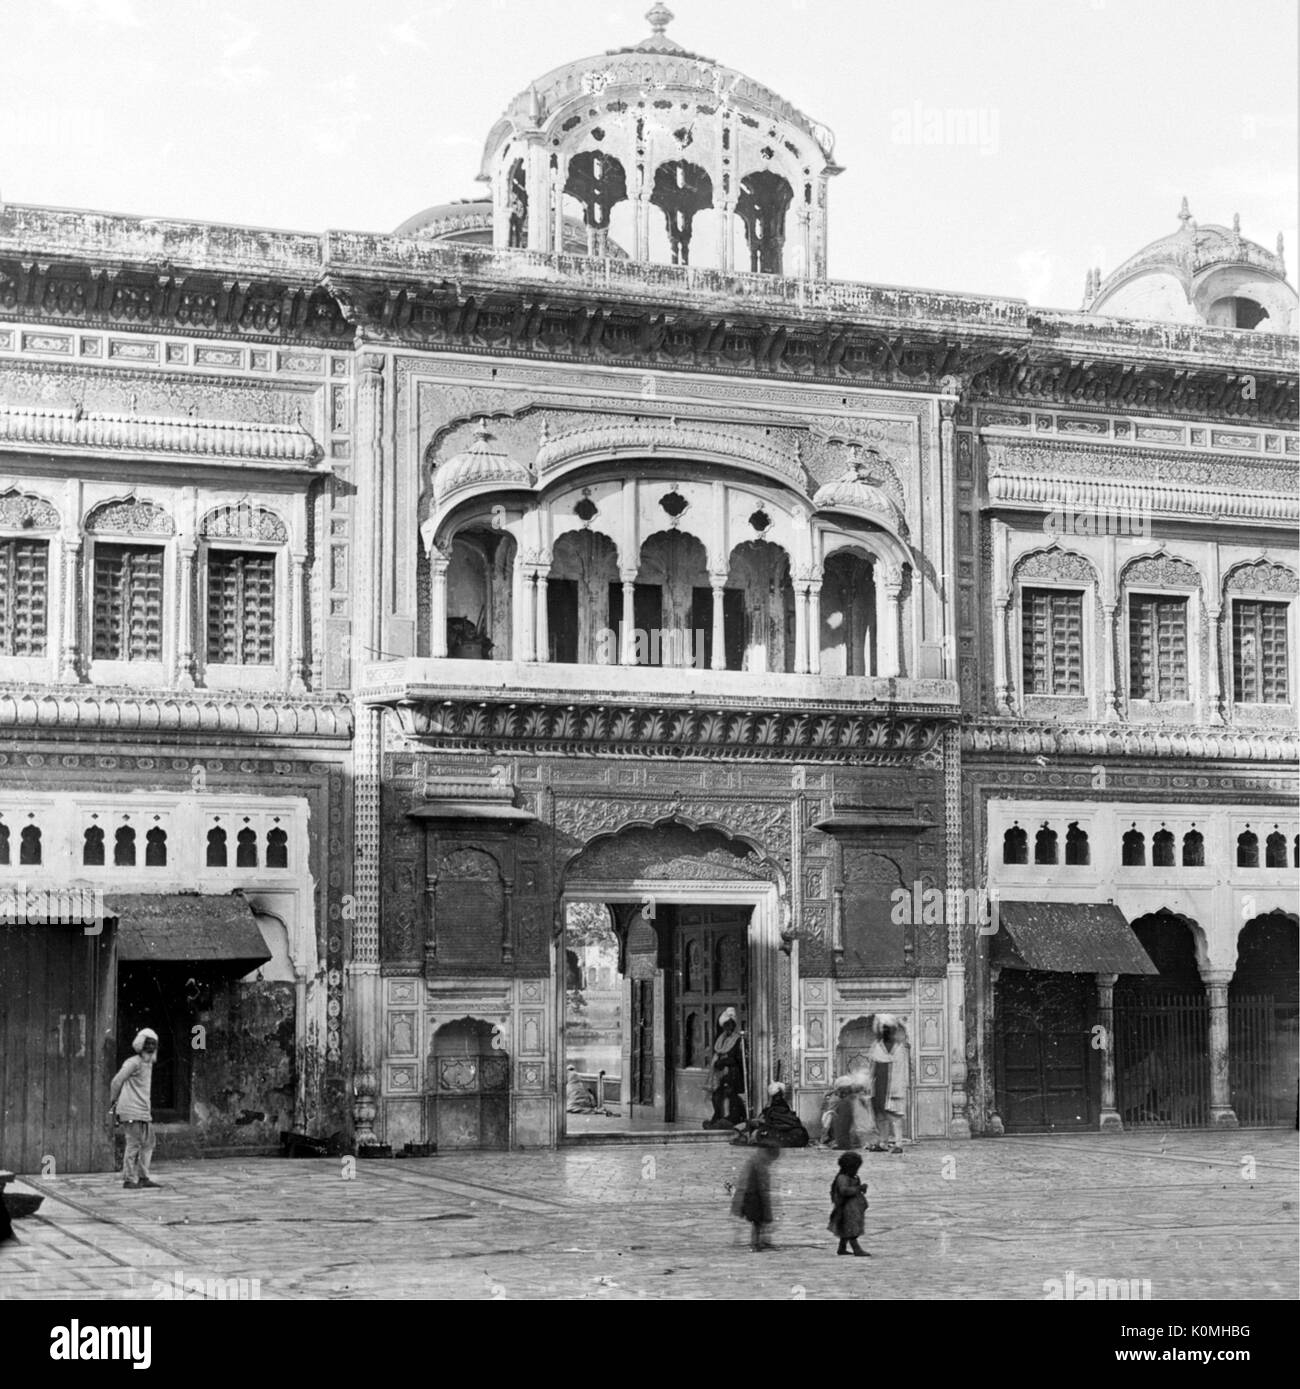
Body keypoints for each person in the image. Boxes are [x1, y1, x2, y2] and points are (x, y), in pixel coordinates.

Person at [109, 1028, 163, 1190]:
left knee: (148, 1143)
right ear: (140, 1044)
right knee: (134, 1144)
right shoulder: (133, 1062)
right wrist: (114, 1101)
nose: (151, 1047)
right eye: (148, 1043)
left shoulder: (148, 1064)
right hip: (131, 1110)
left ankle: (143, 1176)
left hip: (143, 1111)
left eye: (154, 1044)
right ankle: (129, 1179)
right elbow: (116, 1082)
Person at [867, 1016, 910, 1154]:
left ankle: (898, 1143)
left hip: (894, 1086)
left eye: (888, 1029)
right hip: (879, 1085)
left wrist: (901, 1086)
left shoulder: (899, 1048)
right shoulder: (876, 1046)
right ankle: (883, 1142)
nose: (885, 1031)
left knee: (895, 1116)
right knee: (880, 1115)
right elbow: (872, 1067)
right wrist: (869, 1084)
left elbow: (903, 1069)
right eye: (883, 1028)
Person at [731, 1138, 780, 1251]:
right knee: (758, 1222)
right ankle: (756, 1243)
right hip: (753, 1198)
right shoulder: (759, 1165)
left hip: (752, 1197)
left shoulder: (756, 1161)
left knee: (759, 1222)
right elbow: (760, 1186)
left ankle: (761, 1241)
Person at [704, 1007, 746, 1130]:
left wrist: (724, 1061)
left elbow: (738, 1059)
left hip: (732, 1073)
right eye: (726, 1025)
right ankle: (717, 1116)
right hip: (719, 1074)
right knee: (716, 1096)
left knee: (731, 1095)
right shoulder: (721, 1039)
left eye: (730, 1025)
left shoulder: (738, 1040)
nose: (728, 1027)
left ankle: (733, 1118)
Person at [733, 1081, 810, 1147]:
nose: (777, 1099)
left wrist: (758, 1121)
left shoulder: (774, 1109)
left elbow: (768, 1122)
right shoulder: (775, 1108)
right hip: (797, 1136)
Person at [827, 1150, 870, 1256]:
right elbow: (844, 1191)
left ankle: (842, 1248)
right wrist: (858, 1188)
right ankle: (856, 1249)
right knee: (851, 1229)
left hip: (854, 1208)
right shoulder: (842, 1178)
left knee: (846, 1228)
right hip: (847, 1208)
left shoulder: (852, 1177)